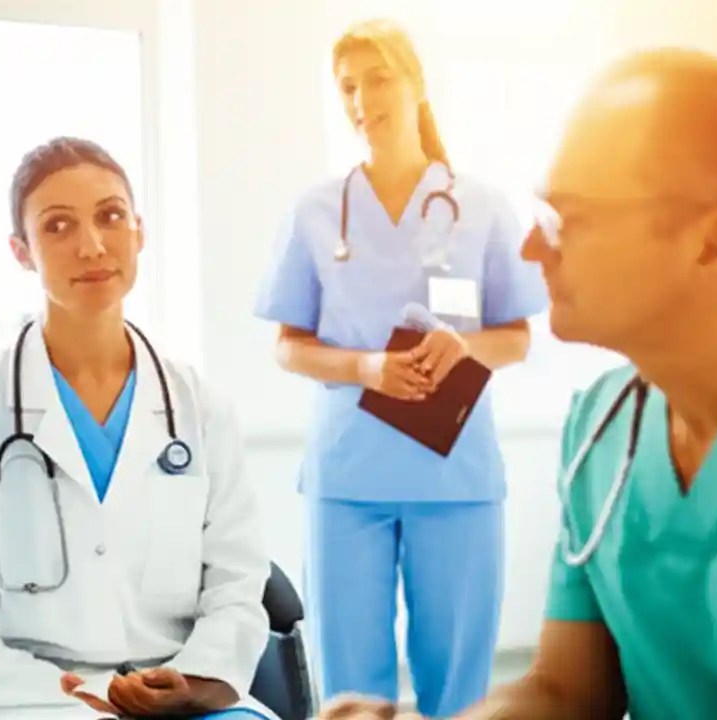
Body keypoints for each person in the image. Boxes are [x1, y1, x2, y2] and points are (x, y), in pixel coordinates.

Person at [323, 47, 717, 720]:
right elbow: (567, 692)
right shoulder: (600, 431)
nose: (532, 251)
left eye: (570, 219)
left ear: (712, 243)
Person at [0, 136, 275, 720]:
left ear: (139, 231)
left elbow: (238, 582)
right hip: (26, 699)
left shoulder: (200, 407)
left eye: (110, 216)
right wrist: (82, 694)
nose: (93, 245)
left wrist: (191, 680)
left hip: (183, 695)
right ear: (21, 251)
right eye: (57, 227)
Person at [253, 18, 547, 718]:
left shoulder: (481, 207)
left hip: (456, 474)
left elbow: (518, 337)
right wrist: (367, 366)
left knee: (459, 691)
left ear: (417, 82)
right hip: (348, 476)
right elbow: (288, 345)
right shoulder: (317, 211)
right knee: (352, 689)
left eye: (377, 78)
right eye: (348, 86)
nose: (361, 100)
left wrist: (465, 346)